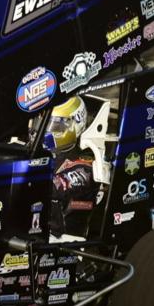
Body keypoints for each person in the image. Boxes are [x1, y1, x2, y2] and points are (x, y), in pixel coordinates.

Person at [43, 96, 102, 236]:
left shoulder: (85, 166)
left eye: (54, 125)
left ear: (75, 125)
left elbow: (53, 188)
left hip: (62, 242)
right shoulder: (44, 155)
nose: (45, 130)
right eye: (41, 123)